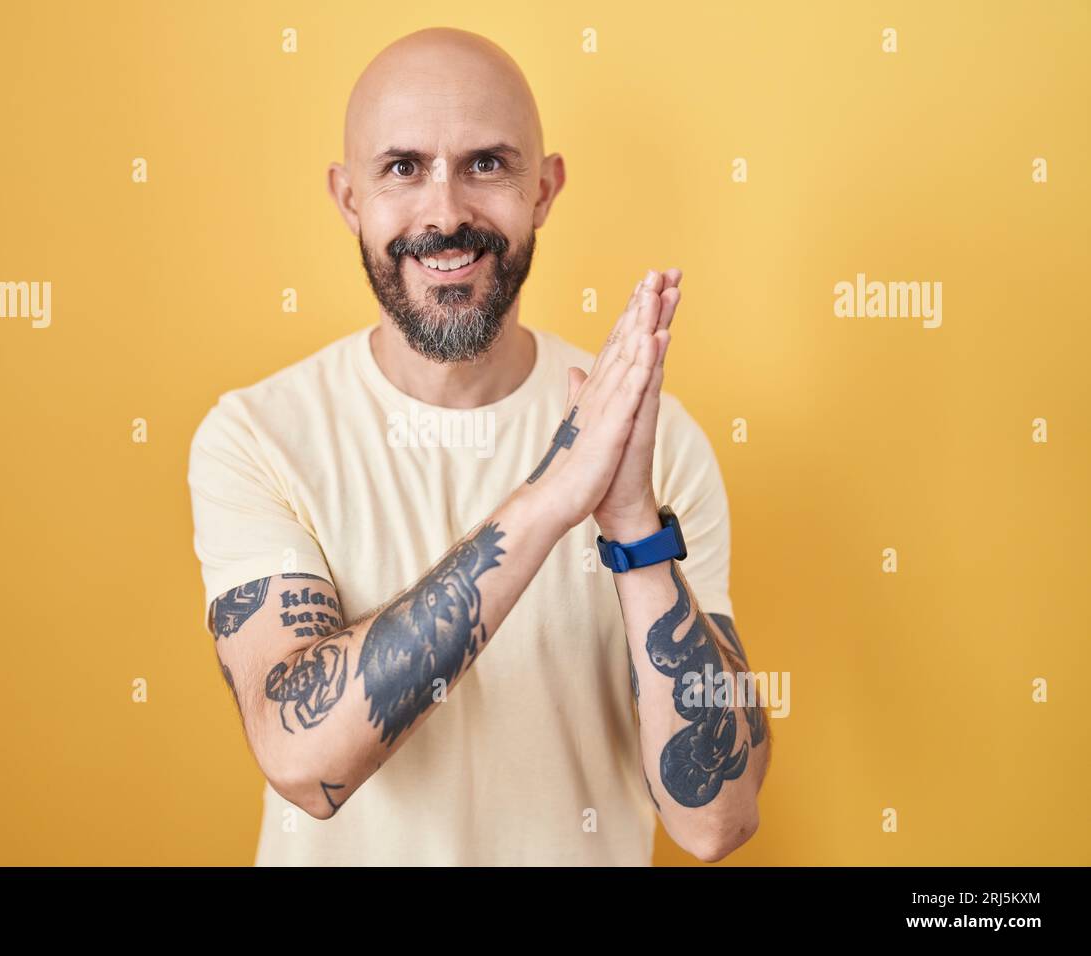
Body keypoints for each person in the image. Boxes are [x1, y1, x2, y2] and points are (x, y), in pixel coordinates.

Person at [188, 27, 771, 866]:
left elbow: (715, 821)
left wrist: (633, 522)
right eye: (403, 167)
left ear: (544, 188)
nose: (447, 212)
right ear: (349, 197)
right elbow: (304, 760)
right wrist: (551, 499)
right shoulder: (258, 437)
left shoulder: (656, 440)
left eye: (487, 164)